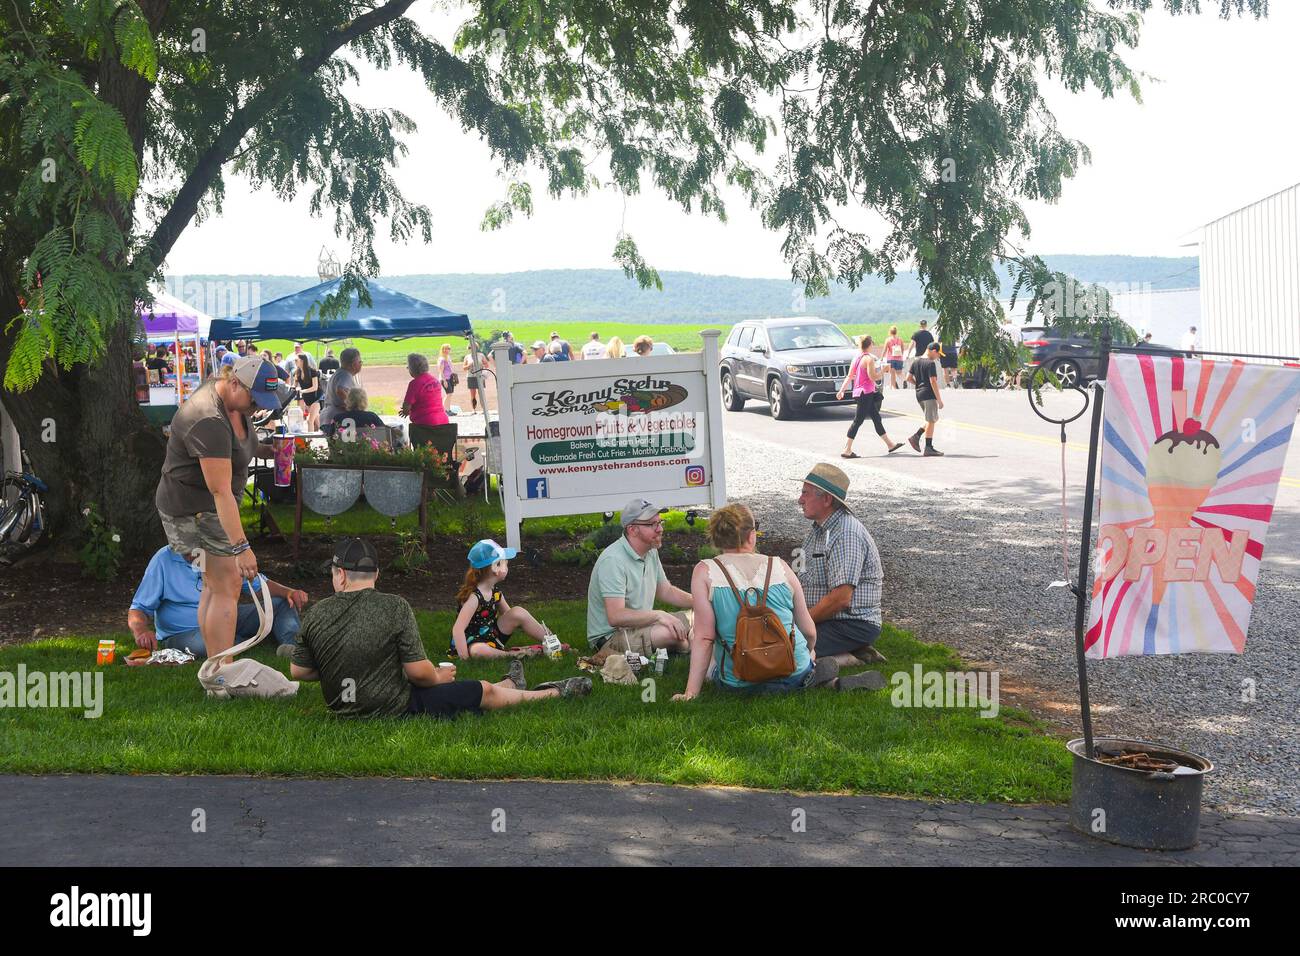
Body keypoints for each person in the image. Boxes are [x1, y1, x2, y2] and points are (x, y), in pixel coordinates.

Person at [290, 538, 591, 720]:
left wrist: (353, 664)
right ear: (377, 574)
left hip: (344, 708)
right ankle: (552, 693)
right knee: (480, 691)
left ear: (340, 575)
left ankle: (511, 685)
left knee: (476, 688)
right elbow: (420, 675)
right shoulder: (394, 606)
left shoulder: (317, 613)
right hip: (396, 706)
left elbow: (299, 672)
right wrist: (439, 676)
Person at [673, 504, 881, 700]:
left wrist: (690, 693)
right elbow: (808, 631)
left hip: (740, 678)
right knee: (799, 660)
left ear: (716, 538)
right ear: (751, 535)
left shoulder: (704, 571)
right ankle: (817, 677)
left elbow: (704, 638)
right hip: (792, 669)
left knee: (706, 654)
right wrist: (808, 655)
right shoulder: (779, 566)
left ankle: (804, 677)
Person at [154, 356, 283, 661]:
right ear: (235, 382)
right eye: (255, 399)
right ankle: (224, 671)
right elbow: (219, 489)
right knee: (227, 583)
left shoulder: (233, 401)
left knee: (215, 585)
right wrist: (241, 547)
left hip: (208, 506)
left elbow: (234, 448)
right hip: (194, 508)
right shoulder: (208, 417)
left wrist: (266, 450)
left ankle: (215, 669)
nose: (258, 407)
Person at [128, 545, 308, 659]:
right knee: (205, 645)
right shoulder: (163, 559)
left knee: (281, 603)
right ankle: (250, 640)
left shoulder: (217, 554)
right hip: (183, 633)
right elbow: (139, 608)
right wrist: (141, 631)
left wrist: (288, 592)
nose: (194, 552)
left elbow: (258, 585)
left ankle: (291, 646)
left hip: (225, 617)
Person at [795, 465, 889, 674]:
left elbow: (840, 599)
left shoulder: (846, 533)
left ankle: (848, 658)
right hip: (830, 620)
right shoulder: (818, 530)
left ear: (827, 499)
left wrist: (800, 624)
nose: (800, 500)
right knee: (775, 640)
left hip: (851, 623)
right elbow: (799, 577)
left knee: (784, 650)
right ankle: (852, 653)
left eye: (805, 493)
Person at [586, 498, 694, 663]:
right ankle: (688, 644)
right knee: (669, 633)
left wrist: (701, 602)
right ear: (632, 529)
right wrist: (659, 615)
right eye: (652, 524)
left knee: (701, 616)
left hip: (643, 626)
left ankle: (687, 642)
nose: (660, 529)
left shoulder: (650, 550)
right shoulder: (613, 560)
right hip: (611, 637)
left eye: (660, 522)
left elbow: (666, 590)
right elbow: (615, 616)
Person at [450, 540, 554, 659]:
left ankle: (553, 642)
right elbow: (458, 629)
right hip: (473, 642)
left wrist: (530, 624)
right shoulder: (474, 597)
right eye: (505, 563)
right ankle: (511, 655)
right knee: (478, 650)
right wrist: (464, 657)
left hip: (493, 636)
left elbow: (509, 614)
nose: (507, 567)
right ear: (495, 568)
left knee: (517, 611)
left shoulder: (495, 592)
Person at [837, 336, 904, 458]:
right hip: (866, 393)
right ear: (870, 345)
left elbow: (849, 376)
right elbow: (873, 377)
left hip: (859, 392)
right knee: (858, 421)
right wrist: (883, 371)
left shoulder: (856, 358)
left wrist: (841, 390)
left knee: (876, 418)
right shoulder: (868, 359)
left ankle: (890, 444)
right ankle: (847, 449)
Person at [906, 341, 944, 456]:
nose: (938, 357)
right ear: (933, 351)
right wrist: (939, 399)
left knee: (931, 419)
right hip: (928, 395)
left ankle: (916, 436)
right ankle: (928, 448)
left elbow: (908, 378)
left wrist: (918, 385)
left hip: (919, 395)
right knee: (931, 420)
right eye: (938, 354)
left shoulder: (916, 361)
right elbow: (933, 381)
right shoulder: (930, 363)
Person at [400, 353, 450, 428]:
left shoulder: (414, 383)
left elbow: (406, 407)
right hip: (443, 421)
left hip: (425, 424)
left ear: (412, 368)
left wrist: (405, 411)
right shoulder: (435, 380)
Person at [319, 346, 362, 435]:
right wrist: (352, 406)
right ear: (353, 364)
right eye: (360, 362)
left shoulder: (340, 373)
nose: (361, 364)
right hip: (336, 418)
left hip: (329, 416)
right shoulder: (345, 374)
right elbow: (340, 390)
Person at [293, 353, 320, 431]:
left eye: (296, 360)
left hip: (316, 398)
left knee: (309, 421)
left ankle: (309, 441)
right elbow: (294, 386)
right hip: (307, 399)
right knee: (317, 422)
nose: (294, 362)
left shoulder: (312, 371)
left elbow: (315, 387)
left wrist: (302, 391)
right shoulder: (297, 372)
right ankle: (326, 435)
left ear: (302, 361)